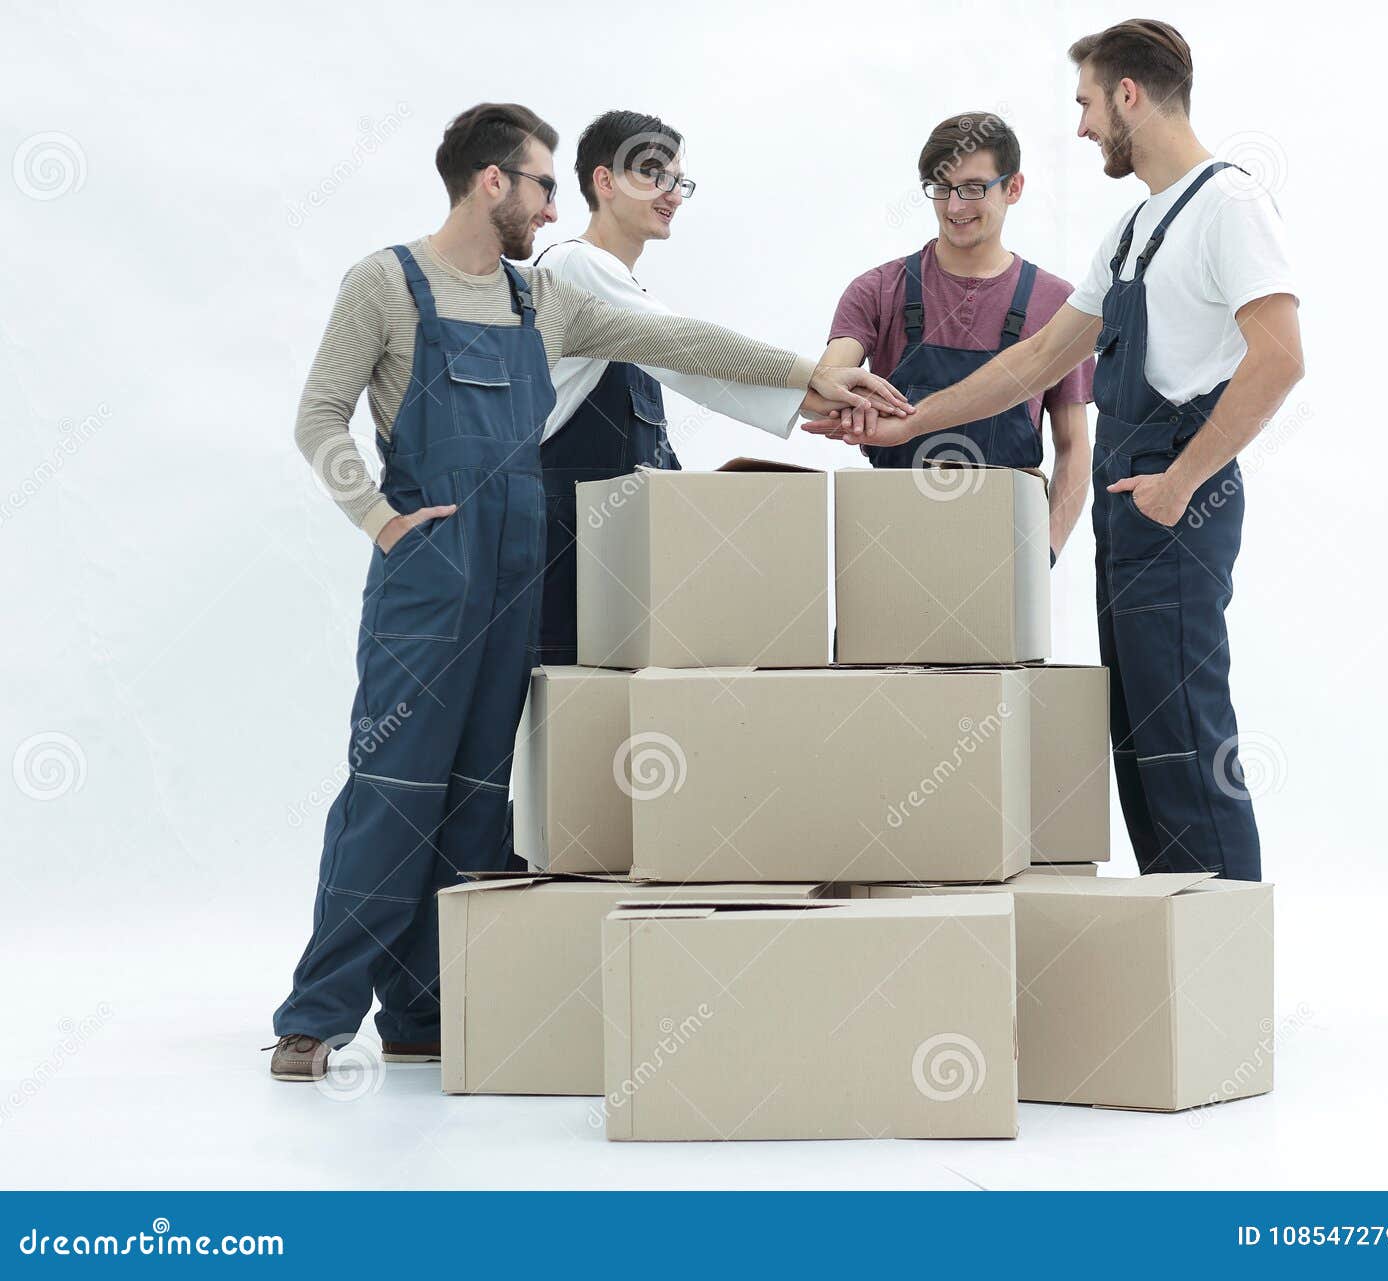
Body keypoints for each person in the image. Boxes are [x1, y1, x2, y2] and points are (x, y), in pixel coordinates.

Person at [271, 102, 909, 1082]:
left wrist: (808, 380)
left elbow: (682, 342)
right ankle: (317, 1019)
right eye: (538, 183)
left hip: (518, 567)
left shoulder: (543, 300)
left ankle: (426, 1012)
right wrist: (381, 521)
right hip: (430, 575)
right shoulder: (387, 283)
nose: (549, 202)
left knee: (480, 799)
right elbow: (320, 413)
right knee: (395, 789)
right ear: (492, 182)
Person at [807, 21, 1302, 882]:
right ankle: (1173, 950)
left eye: (1085, 103)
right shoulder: (1138, 228)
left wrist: (1183, 482)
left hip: (1175, 500)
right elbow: (1036, 360)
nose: (1080, 127)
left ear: (1129, 96)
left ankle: (1221, 977)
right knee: (1144, 743)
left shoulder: (1229, 205)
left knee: (1186, 737)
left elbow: (1281, 358)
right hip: (1131, 503)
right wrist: (907, 422)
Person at [530, 110, 804, 666]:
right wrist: (815, 385)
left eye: (679, 181)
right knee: (564, 726)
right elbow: (688, 353)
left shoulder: (620, 285)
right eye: (653, 174)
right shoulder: (573, 265)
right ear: (603, 181)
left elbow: (662, 416)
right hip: (560, 556)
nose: (672, 193)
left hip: (609, 558)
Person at [818, 112, 1095, 561]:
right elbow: (833, 375)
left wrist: (1045, 549)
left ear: (1014, 187)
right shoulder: (878, 290)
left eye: (972, 188)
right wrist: (828, 387)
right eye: (941, 188)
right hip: (888, 546)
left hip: (1004, 549)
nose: (954, 207)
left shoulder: (1058, 306)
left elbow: (1074, 447)